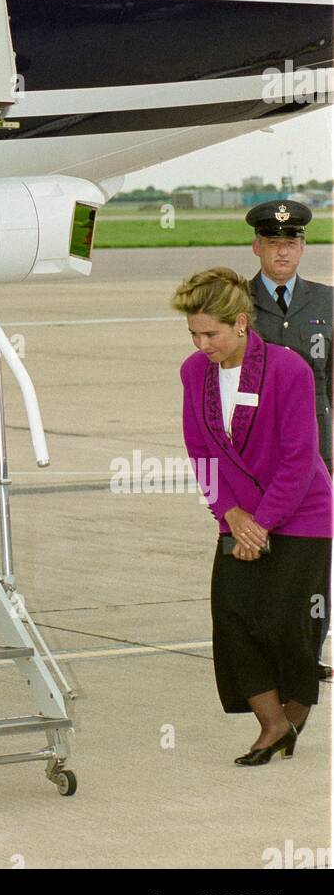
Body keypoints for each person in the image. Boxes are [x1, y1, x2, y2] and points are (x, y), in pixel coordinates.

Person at [172, 267, 332, 765]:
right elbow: (200, 450)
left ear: (241, 324)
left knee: (289, 621)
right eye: (194, 333)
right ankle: (273, 725)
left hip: (302, 512)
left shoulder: (289, 369)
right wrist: (230, 513)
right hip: (236, 515)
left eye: (211, 333)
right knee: (234, 617)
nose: (202, 344)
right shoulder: (193, 372)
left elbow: (300, 458)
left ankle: (294, 712)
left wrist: (261, 523)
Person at [245, 199, 332, 471]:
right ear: (257, 247)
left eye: (291, 243)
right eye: (273, 243)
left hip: (315, 441)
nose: (282, 252)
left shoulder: (327, 300)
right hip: (256, 440)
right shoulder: (237, 301)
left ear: (302, 247)